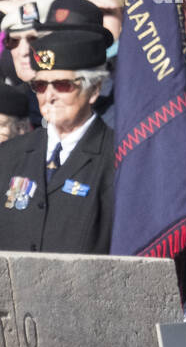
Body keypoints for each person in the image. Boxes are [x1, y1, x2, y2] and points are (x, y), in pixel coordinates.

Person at [0, 26, 115, 253]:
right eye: (40, 86)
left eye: (63, 85)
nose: (49, 96)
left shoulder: (118, 157)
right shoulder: (8, 155)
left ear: (94, 89)